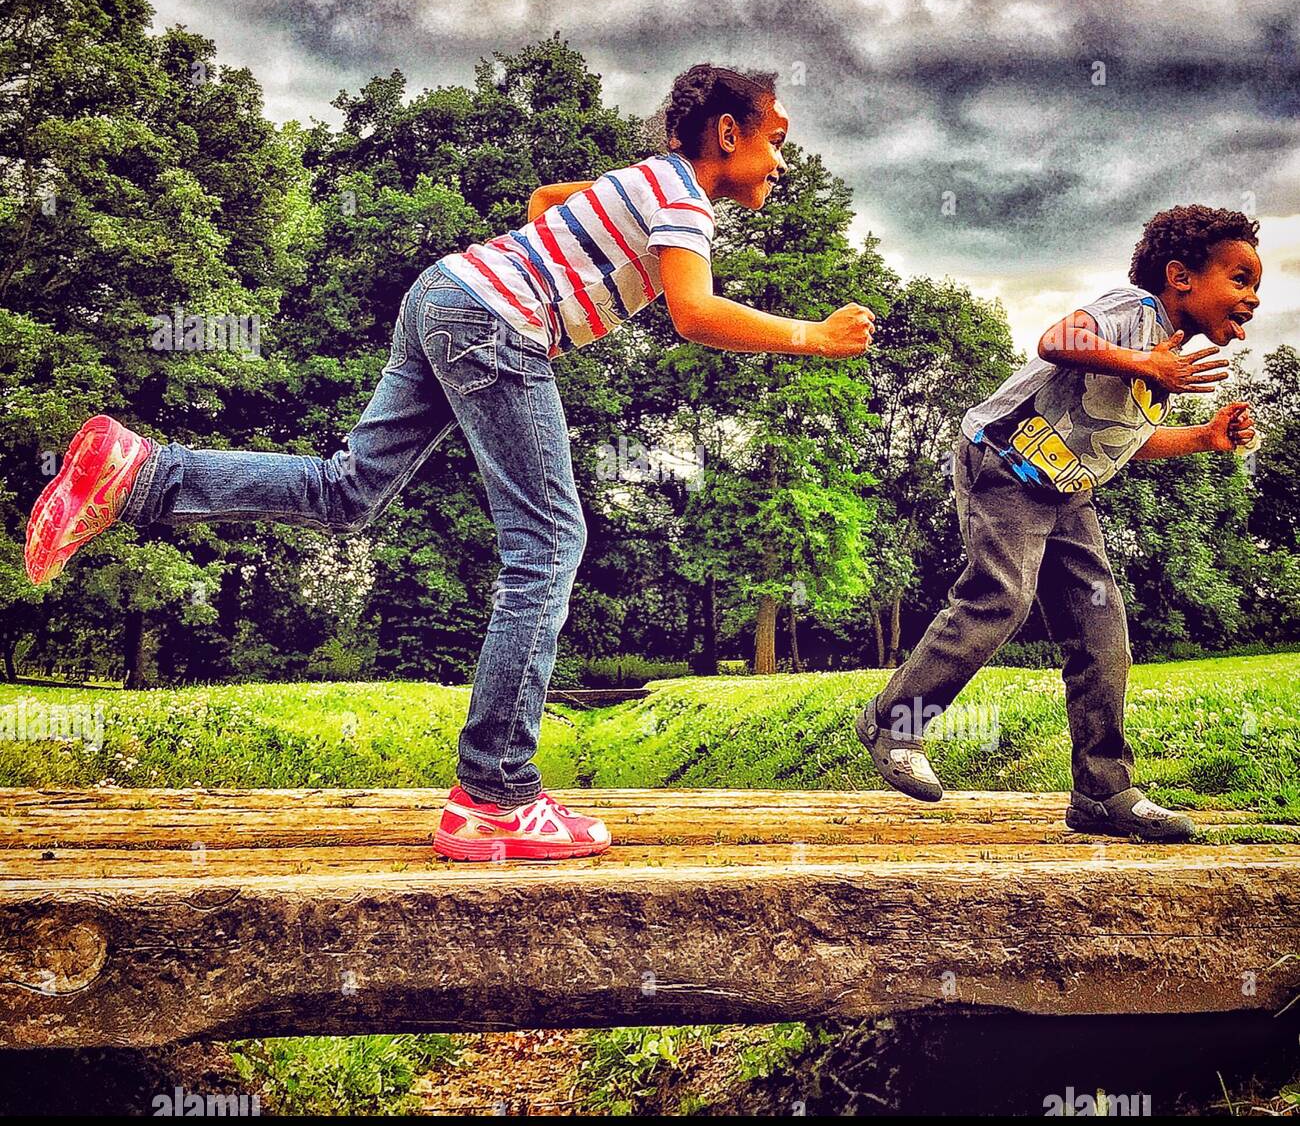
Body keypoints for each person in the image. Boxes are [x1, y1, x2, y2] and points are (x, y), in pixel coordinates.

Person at [24, 64, 877, 860]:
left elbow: (549, 199)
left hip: (445, 293)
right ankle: (495, 798)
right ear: (727, 134)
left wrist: (608, 224)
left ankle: (139, 472)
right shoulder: (684, 198)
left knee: (347, 491)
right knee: (547, 544)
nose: (781, 164)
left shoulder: (646, 184)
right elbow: (693, 314)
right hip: (494, 321)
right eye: (776, 141)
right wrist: (815, 338)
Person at [855, 205, 1262, 841]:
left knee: (1101, 628)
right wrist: (1147, 366)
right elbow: (1056, 340)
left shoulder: (1169, 355)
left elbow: (1125, 440)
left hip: (1066, 490)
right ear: (1181, 276)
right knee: (1003, 596)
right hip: (1004, 459)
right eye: (1240, 279)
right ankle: (894, 721)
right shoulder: (1133, 312)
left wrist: (1203, 439)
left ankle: (1103, 791)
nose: (1252, 298)